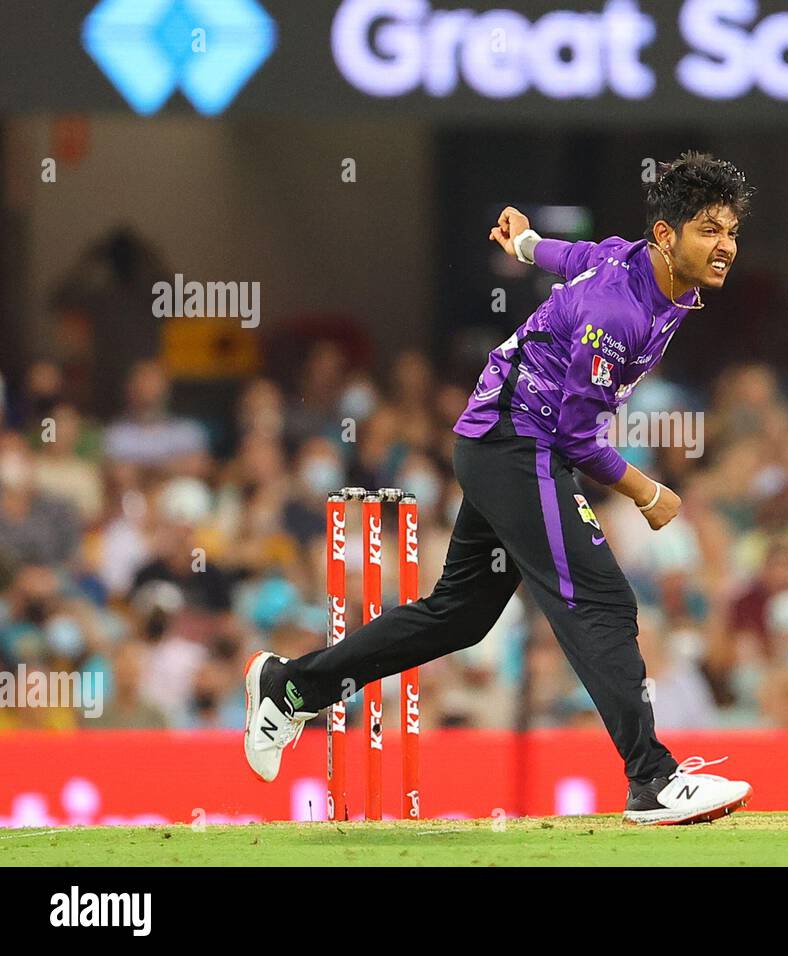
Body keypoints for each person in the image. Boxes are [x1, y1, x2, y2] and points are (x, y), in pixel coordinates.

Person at [243, 151, 755, 825]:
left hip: (501, 442)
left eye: (730, 231)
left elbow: (570, 255)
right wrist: (647, 492)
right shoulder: (619, 312)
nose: (725, 247)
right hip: (519, 444)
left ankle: (289, 687)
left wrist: (524, 240)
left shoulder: (631, 262)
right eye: (708, 230)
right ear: (667, 235)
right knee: (600, 597)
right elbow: (576, 438)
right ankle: (653, 780)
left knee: (461, 613)